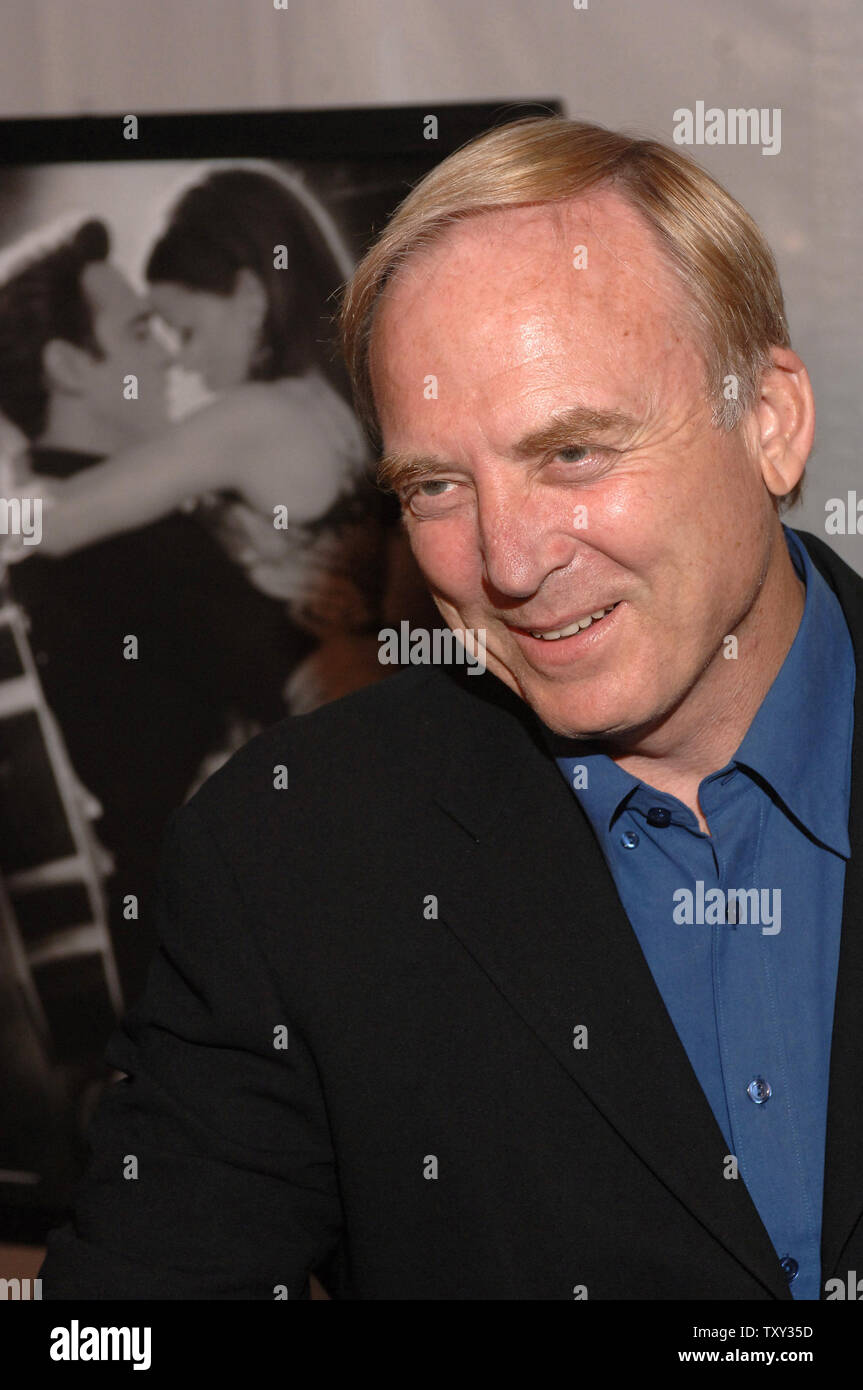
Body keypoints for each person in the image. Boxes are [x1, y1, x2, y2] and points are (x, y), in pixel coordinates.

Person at [39, 114, 861, 1302]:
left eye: (573, 453)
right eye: (433, 485)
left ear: (770, 420)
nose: (509, 561)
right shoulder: (292, 858)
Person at [0, 216, 307, 1003]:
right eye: (139, 332)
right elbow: (318, 709)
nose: (168, 352)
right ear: (69, 365)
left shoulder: (38, 544)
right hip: (202, 987)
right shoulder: (153, 549)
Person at [6, 165, 433, 711]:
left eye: (186, 331)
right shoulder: (334, 396)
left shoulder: (252, 418)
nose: (177, 357)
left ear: (252, 298)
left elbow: (55, 521)